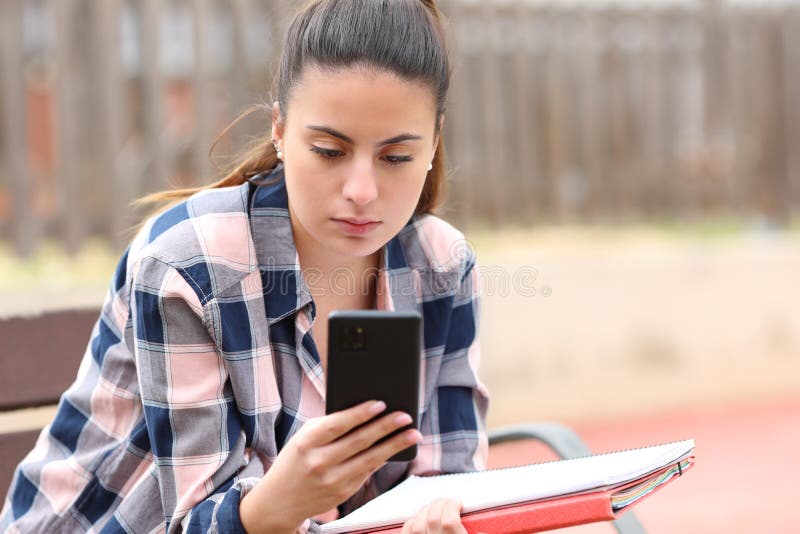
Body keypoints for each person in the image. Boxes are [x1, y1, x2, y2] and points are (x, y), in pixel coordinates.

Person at [0, 0, 489, 532]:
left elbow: (449, 479)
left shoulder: (442, 267)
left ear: (434, 142)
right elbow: (194, 519)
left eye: (396, 158)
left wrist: (441, 516)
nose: (362, 191)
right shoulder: (188, 263)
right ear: (279, 129)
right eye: (329, 150)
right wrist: (285, 499)